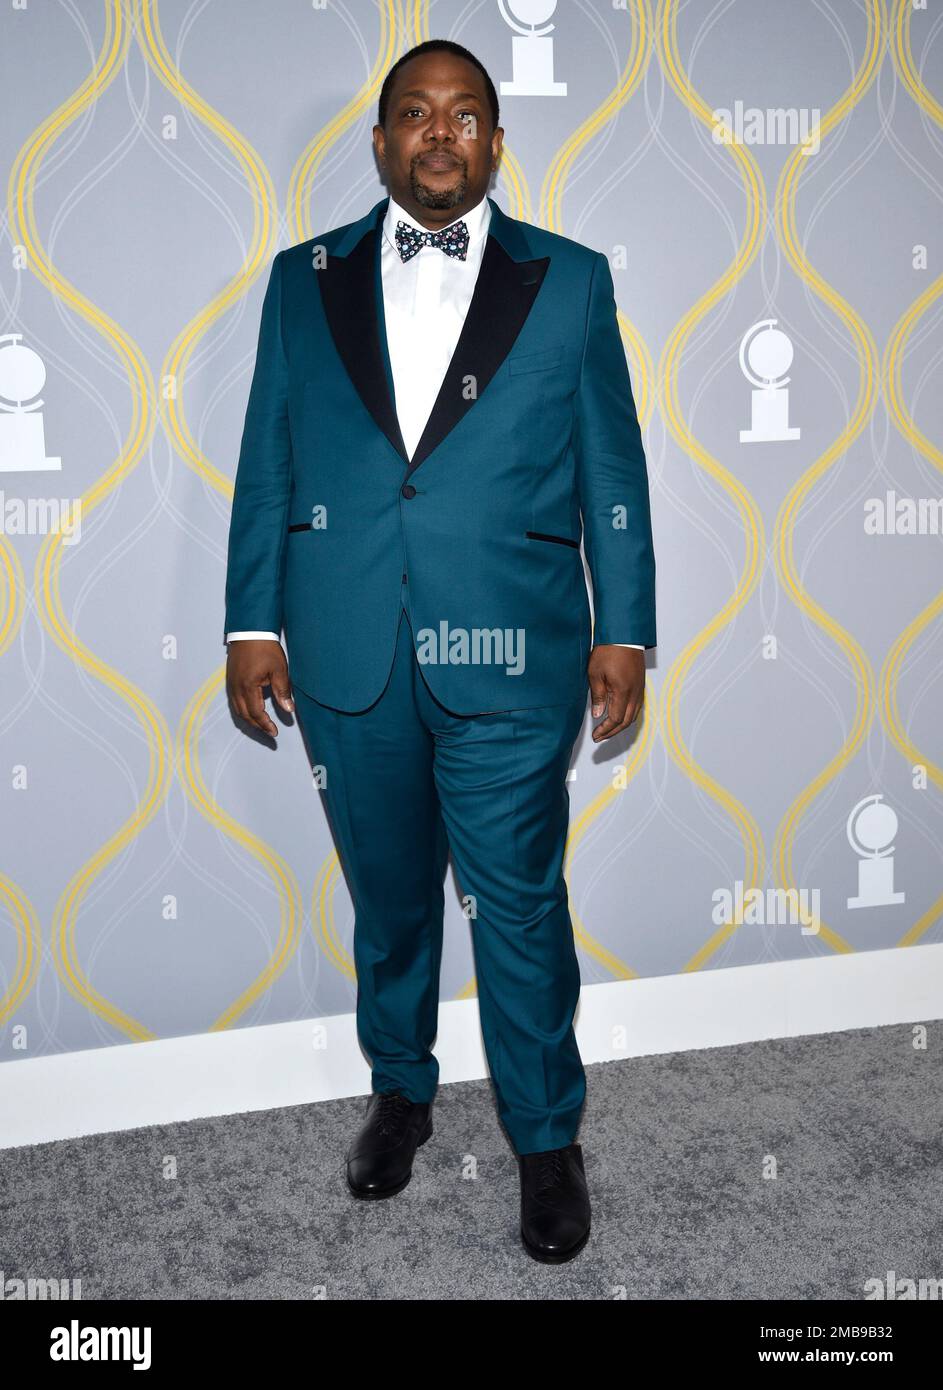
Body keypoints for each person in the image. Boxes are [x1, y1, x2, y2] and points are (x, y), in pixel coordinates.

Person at [224, 38, 656, 1264]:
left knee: (518, 905)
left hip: (516, 652)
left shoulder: (569, 281)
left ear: (495, 142)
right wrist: (251, 619)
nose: (438, 132)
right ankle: (402, 1091)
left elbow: (610, 468)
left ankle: (545, 1140)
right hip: (345, 641)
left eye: (464, 114)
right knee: (392, 900)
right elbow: (269, 455)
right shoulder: (299, 279)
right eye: (413, 114)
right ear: (379, 142)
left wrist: (624, 624)